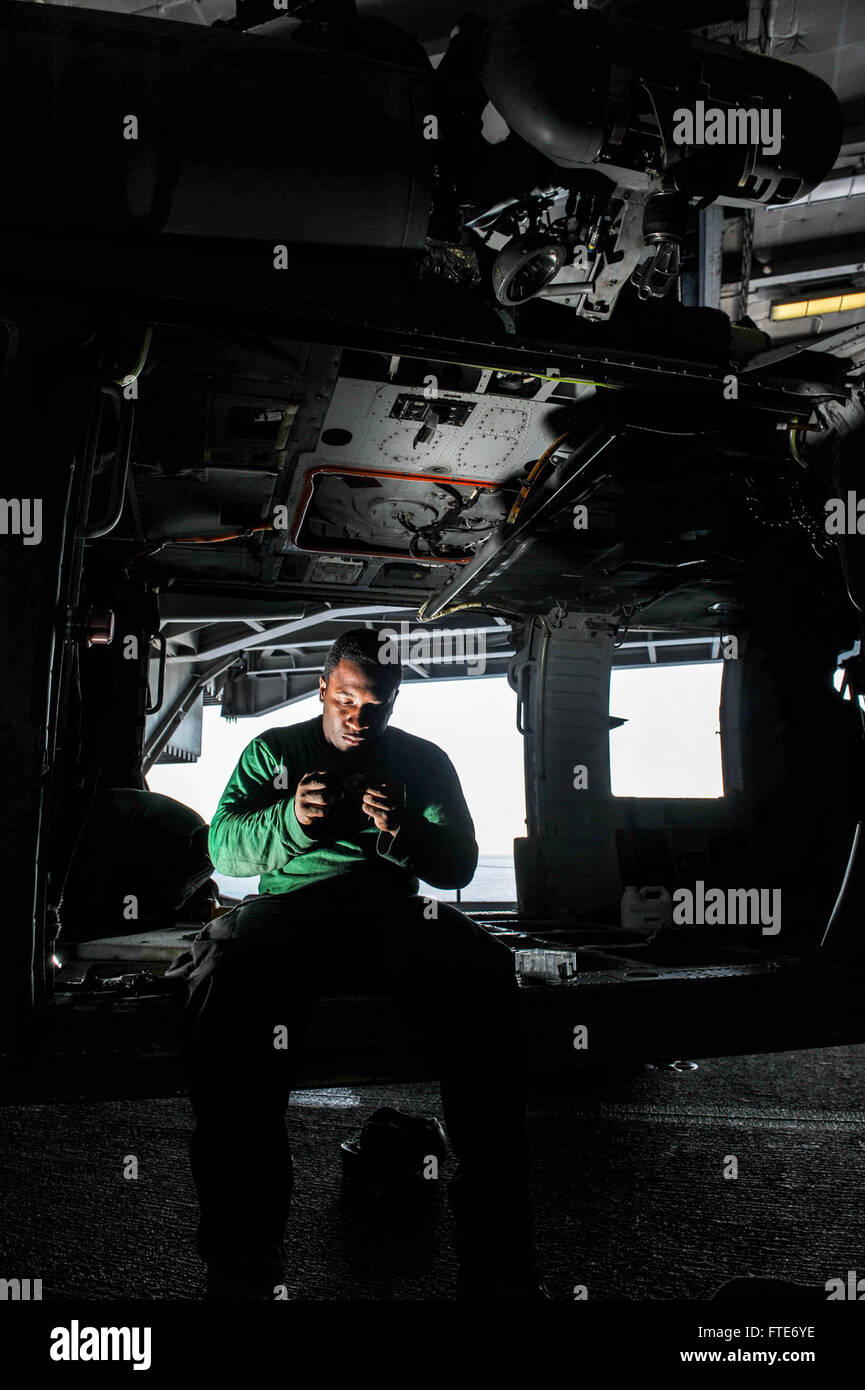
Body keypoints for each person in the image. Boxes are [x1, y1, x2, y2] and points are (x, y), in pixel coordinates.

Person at [168, 627, 543, 1300]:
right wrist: (289, 819)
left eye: (376, 705)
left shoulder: (421, 762)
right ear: (321, 688)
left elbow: (456, 864)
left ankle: (500, 1272)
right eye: (345, 698)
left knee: (485, 968)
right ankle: (242, 1274)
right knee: (222, 985)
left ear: (394, 701)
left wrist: (404, 830)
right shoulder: (273, 751)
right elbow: (224, 851)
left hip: (390, 910)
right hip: (292, 908)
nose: (358, 717)